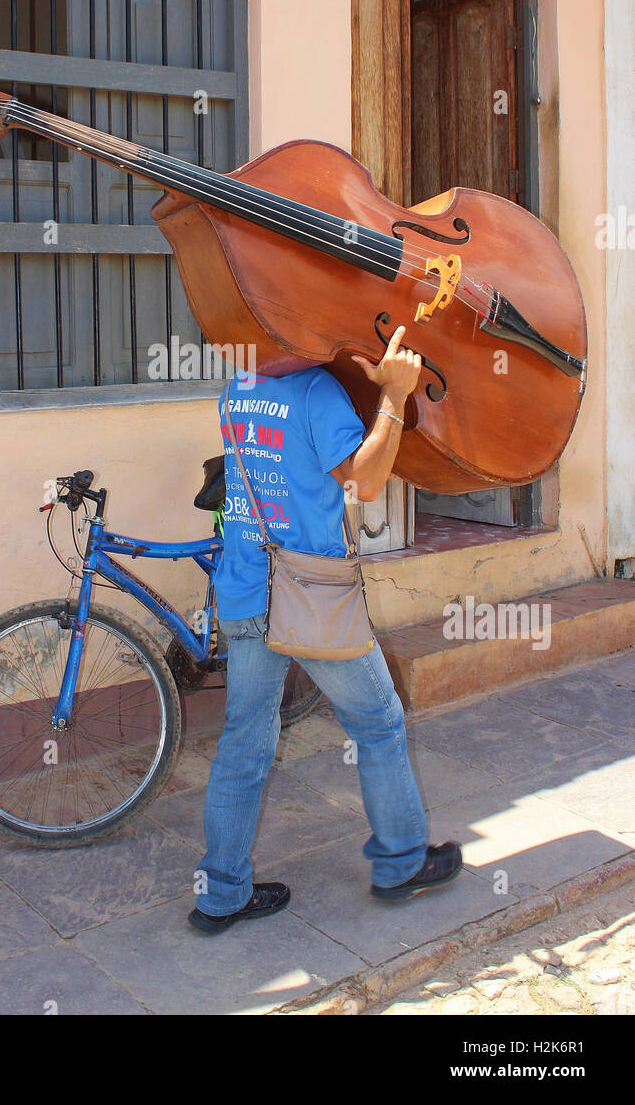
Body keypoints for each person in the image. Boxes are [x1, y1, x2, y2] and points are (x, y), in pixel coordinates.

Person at [188, 327, 462, 934]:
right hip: (306, 594)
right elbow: (363, 484)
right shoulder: (315, 392)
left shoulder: (238, 387)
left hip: (242, 587)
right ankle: (401, 863)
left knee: (243, 742)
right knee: (378, 722)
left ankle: (221, 895)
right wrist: (394, 395)